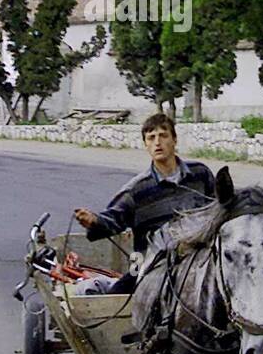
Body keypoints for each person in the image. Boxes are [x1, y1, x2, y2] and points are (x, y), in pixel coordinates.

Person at [74, 112, 215, 294]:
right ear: (146, 145)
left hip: (200, 259)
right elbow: (114, 219)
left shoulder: (201, 174)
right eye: (151, 138)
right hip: (147, 262)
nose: (158, 142)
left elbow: (221, 208)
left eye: (163, 136)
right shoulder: (136, 190)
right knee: (114, 303)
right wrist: (94, 221)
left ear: (174, 140)